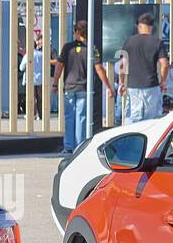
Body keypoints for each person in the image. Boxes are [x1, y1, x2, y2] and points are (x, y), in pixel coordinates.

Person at [52, 20, 113, 154]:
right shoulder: (91, 48)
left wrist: (55, 83)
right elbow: (99, 69)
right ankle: (79, 147)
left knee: (69, 118)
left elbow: (59, 67)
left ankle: (68, 147)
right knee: (81, 117)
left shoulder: (67, 47)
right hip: (84, 88)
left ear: (77, 32)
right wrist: (108, 86)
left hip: (69, 87)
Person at [117, 12, 168, 123]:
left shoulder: (129, 42)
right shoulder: (157, 42)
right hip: (152, 87)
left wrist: (121, 83)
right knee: (153, 121)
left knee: (132, 120)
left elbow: (122, 65)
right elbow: (164, 64)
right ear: (151, 27)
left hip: (133, 87)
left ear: (139, 26)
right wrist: (163, 82)